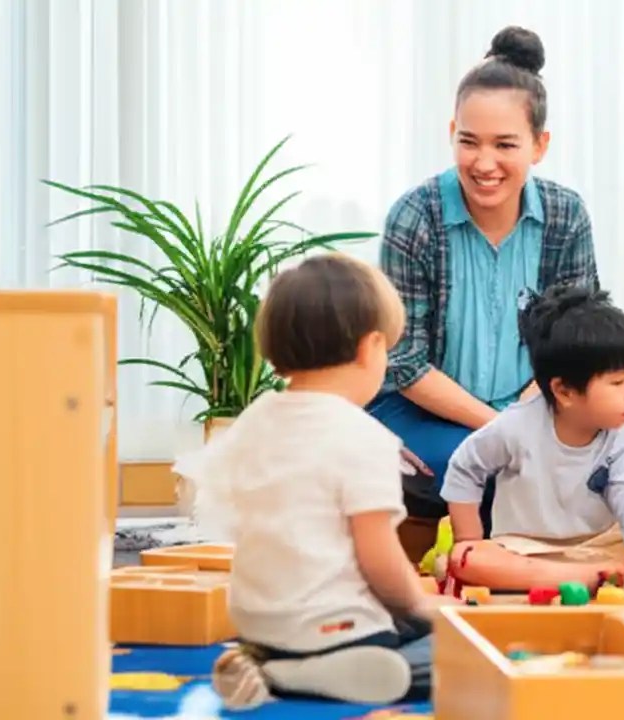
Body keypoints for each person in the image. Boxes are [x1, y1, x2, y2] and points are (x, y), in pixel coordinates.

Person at [174, 254, 455, 710]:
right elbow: (380, 560)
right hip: (333, 627)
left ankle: (266, 662)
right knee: (464, 649)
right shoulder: (365, 437)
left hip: (255, 620)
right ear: (372, 348)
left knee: (408, 626)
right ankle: (304, 672)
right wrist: (424, 610)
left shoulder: (253, 421)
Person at [370, 25, 598, 529]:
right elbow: (403, 363)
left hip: (535, 408)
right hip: (420, 414)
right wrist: (503, 429)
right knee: (485, 468)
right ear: (451, 132)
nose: (484, 163)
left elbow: (573, 343)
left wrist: (526, 422)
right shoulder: (415, 217)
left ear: (539, 146)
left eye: (505, 145)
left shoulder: (566, 217)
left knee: (604, 465)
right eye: (469, 142)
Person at [438, 285, 624, 599]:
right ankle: (591, 577)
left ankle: (611, 573)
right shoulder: (516, 426)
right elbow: (465, 466)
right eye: (618, 382)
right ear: (564, 392)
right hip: (530, 551)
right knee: (469, 559)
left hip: (606, 543)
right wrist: (470, 538)